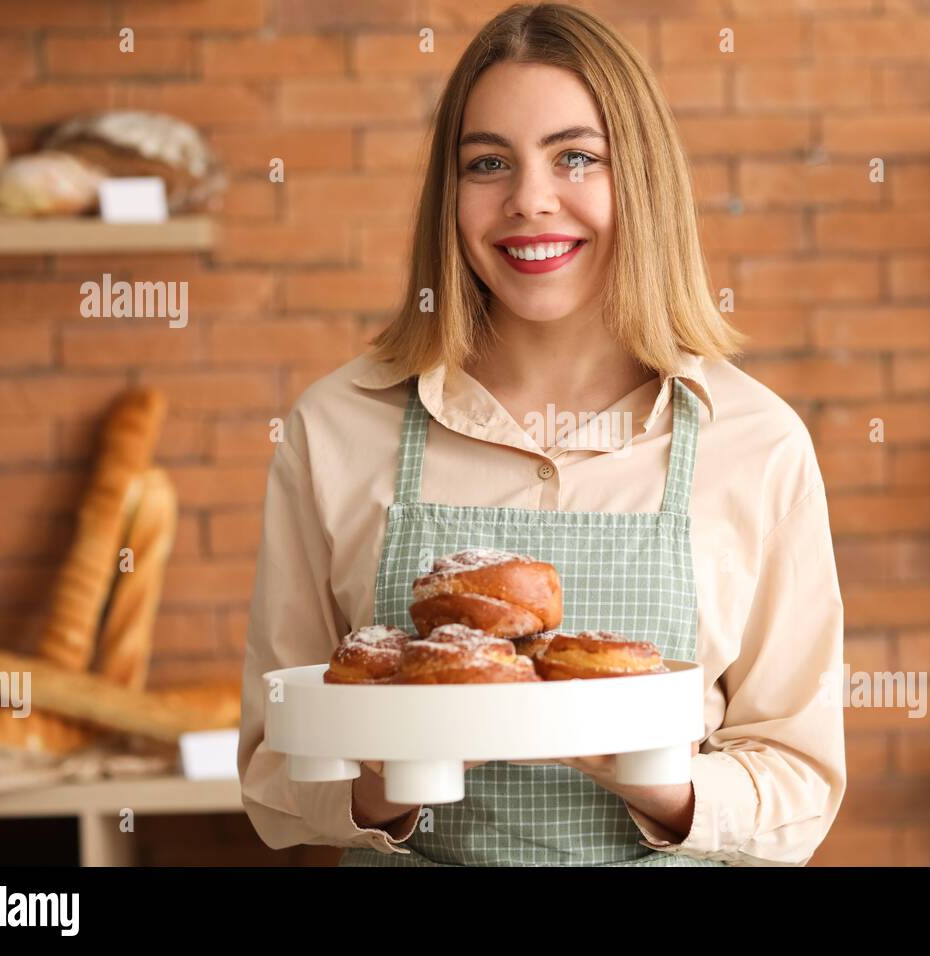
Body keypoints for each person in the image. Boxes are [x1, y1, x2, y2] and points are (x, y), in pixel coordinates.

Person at [238, 2, 845, 867]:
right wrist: (395, 778)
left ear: (640, 180)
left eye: (576, 157)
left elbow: (802, 781)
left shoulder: (755, 443)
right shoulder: (337, 427)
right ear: (450, 196)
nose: (530, 200)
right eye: (488, 163)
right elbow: (270, 776)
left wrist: (652, 780)